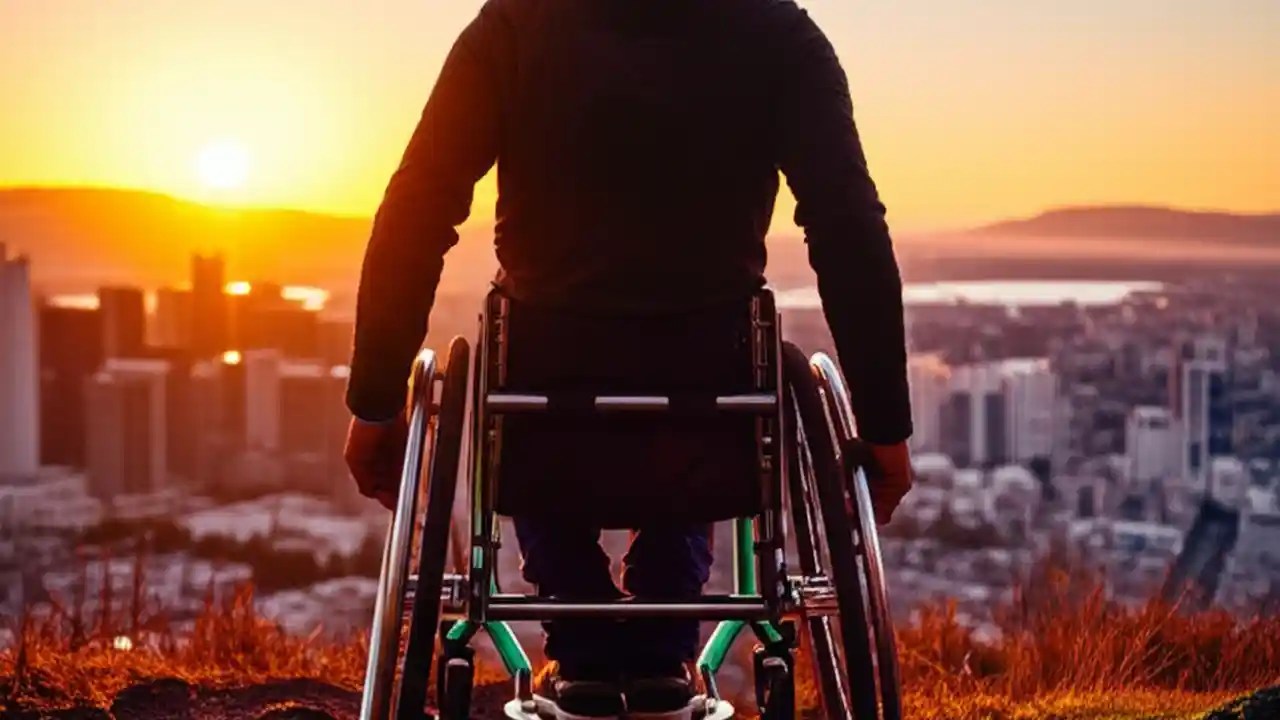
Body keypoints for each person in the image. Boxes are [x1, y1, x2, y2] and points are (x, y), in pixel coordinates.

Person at [344, 0, 914, 717]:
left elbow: (418, 209)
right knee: (695, 376)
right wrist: (885, 425)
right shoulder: (777, 35)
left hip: (540, 390)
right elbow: (848, 225)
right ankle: (655, 651)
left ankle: (581, 639)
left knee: (527, 359)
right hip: (713, 393)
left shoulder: (516, 28)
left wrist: (375, 403)